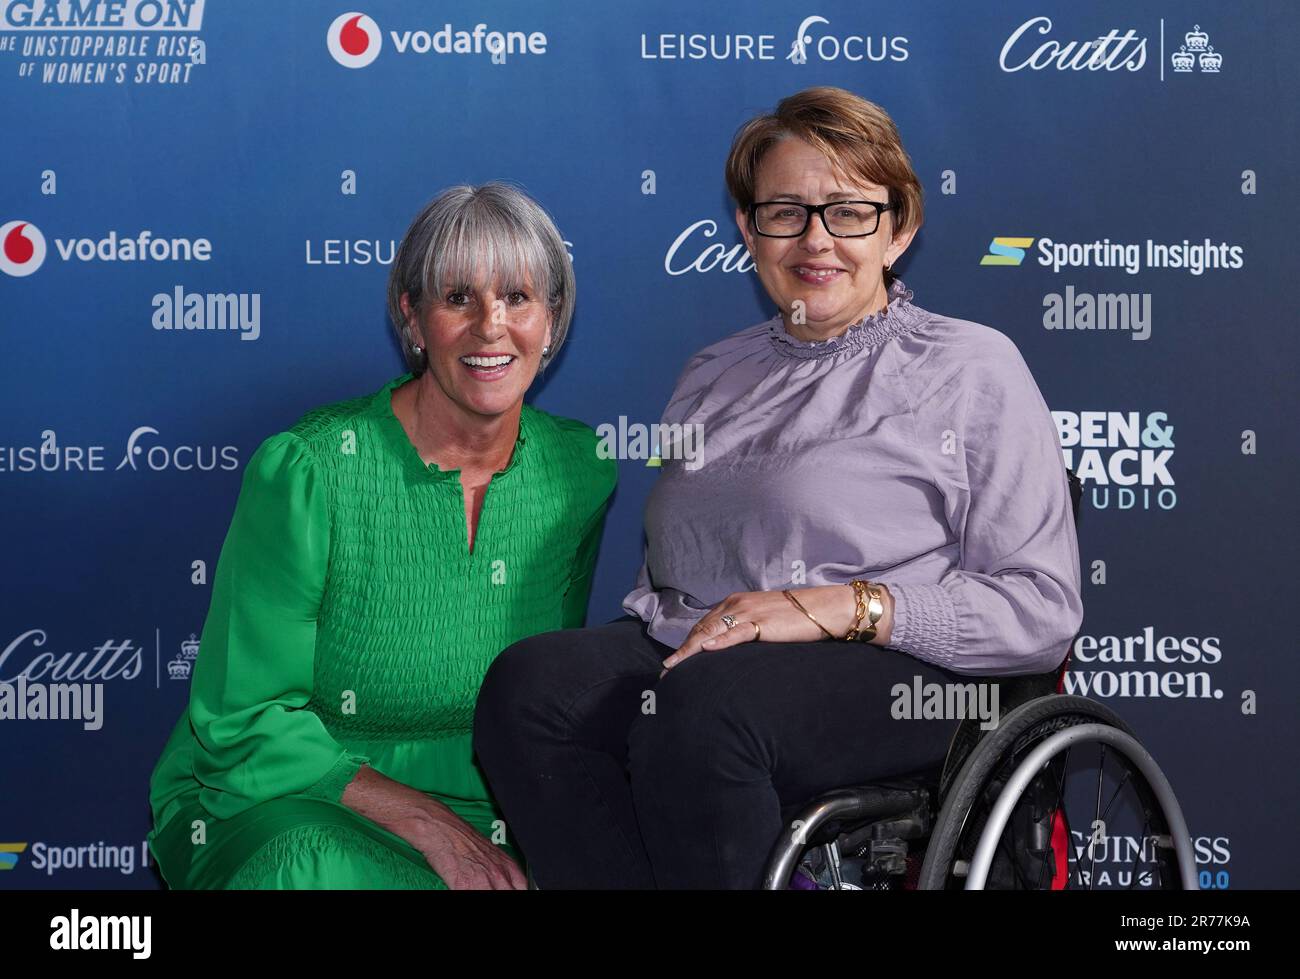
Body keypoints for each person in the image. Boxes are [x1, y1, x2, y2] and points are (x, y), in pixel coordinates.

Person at [473, 87, 1084, 889]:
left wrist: (839, 605)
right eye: (785, 211)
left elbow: (1039, 608)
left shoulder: (972, 368)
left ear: (899, 229)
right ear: (747, 229)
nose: (816, 238)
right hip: (705, 659)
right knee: (533, 689)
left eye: (849, 212)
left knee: (706, 712)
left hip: (905, 673)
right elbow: (669, 570)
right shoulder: (714, 371)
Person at [146, 182, 616, 889]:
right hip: (294, 795)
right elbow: (243, 719)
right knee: (311, 869)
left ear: (552, 321)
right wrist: (429, 824)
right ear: (413, 316)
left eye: (518, 297)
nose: (492, 326)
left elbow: (547, 696)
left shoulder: (580, 471)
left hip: (495, 807)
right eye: (458, 296)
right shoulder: (308, 471)